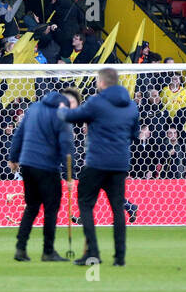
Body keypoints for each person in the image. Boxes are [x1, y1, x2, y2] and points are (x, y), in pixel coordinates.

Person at [57, 67, 138, 266]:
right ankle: (120, 257)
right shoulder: (131, 106)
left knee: (85, 203)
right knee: (118, 208)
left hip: (97, 162)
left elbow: (71, 117)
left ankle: (93, 253)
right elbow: (135, 135)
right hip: (120, 163)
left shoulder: (96, 102)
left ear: (101, 83)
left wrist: (60, 108)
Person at [8, 85, 79, 262]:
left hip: (27, 164)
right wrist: (69, 175)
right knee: (51, 208)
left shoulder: (34, 107)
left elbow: (19, 134)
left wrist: (13, 158)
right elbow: (67, 146)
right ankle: (48, 251)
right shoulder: (62, 114)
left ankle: (20, 248)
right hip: (47, 166)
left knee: (31, 207)